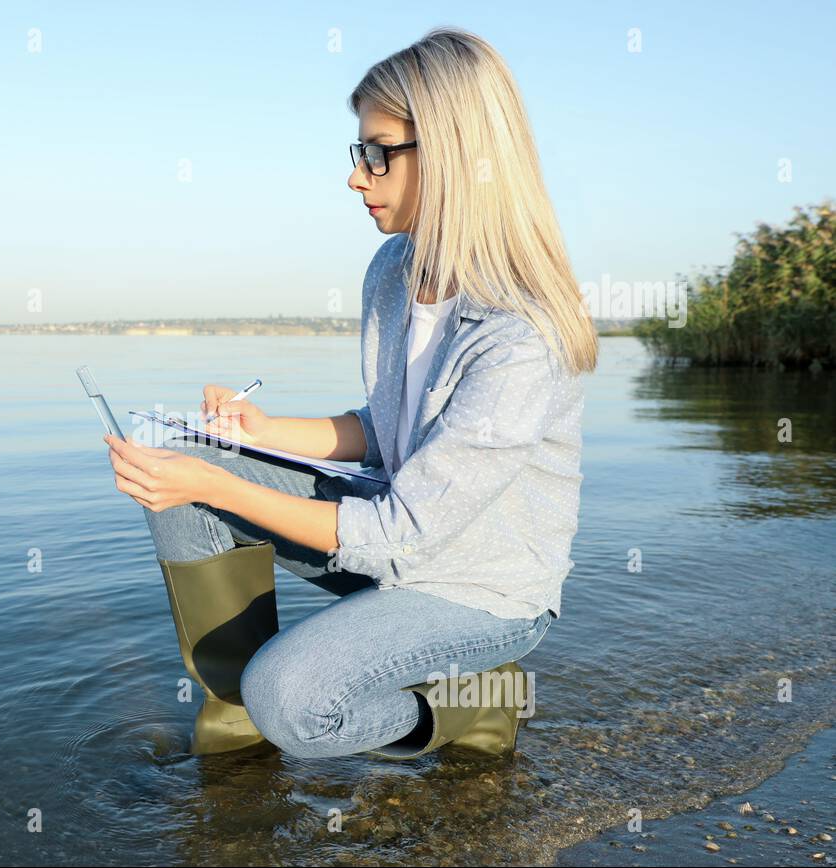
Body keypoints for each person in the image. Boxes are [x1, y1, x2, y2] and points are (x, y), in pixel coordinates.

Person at [105, 27, 597, 760]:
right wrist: (260, 432)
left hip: (480, 588)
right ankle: (236, 714)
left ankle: (475, 705)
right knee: (187, 470)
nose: (356, 177)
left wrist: (223, 484)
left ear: (457, 157)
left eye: (378, 154)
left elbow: (402, 534)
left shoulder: (521, 336)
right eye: (357, 154)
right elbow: (387, 427)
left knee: (293, 697)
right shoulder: (394, 270)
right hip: (399, 535)